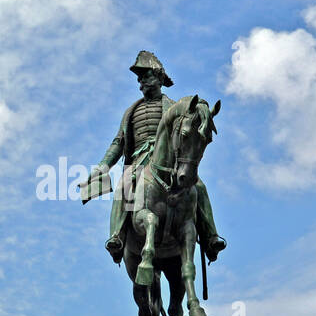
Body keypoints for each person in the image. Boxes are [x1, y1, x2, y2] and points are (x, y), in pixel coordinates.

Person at [86, 51, 224, 264]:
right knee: (124, 185)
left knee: (200, 186)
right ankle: (117, 236)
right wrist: (103, 166)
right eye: (139, 78)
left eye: (146, 75)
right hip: (139, 161)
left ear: (159, 77)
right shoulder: (131, 110)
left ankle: (211, 236)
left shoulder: (174, 106)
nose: (142, 81)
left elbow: (193, 114)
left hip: (169, 162)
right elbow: (119, 143)